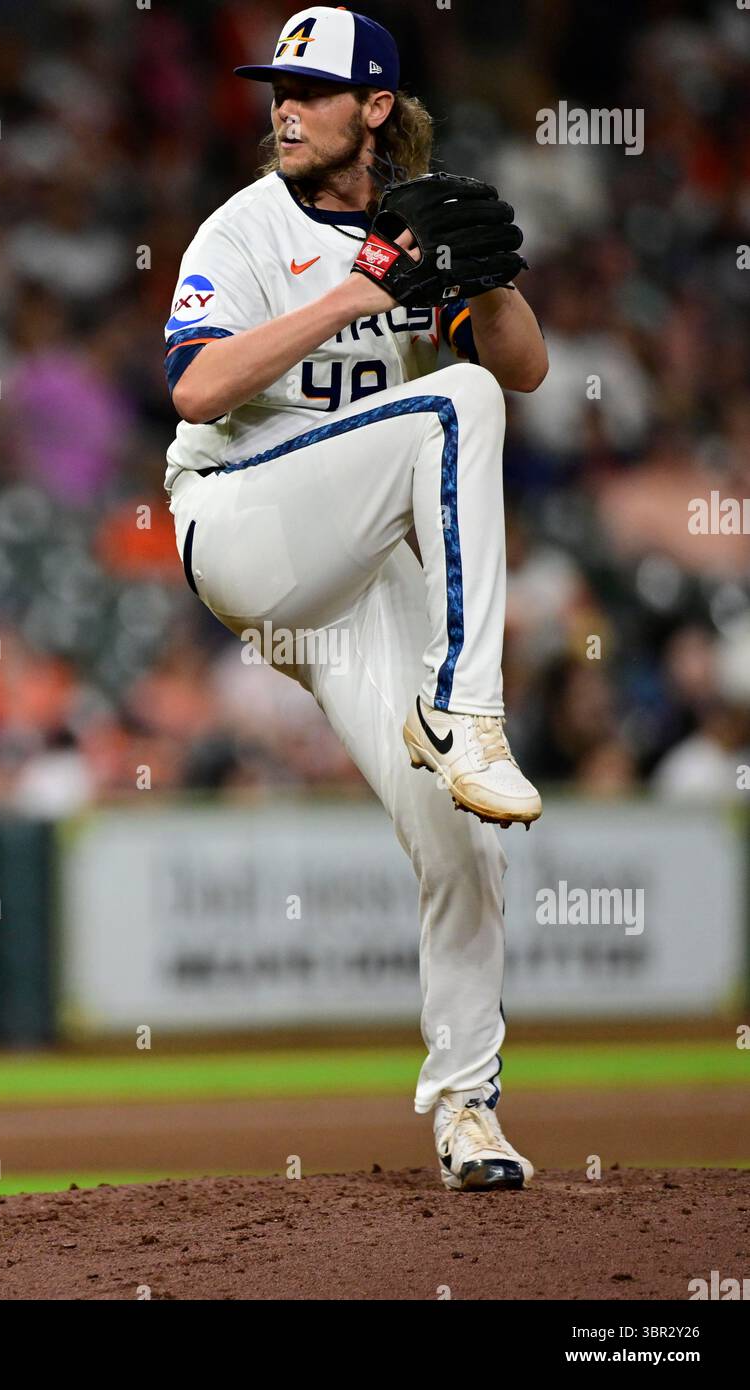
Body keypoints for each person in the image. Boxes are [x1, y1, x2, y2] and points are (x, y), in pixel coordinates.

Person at [163, 6, 548, 1192]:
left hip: (361, 567)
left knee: (461, 833)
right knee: (457, 406)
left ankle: (467, 1109)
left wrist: (486, 277)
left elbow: (524, 364)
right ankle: (465, 707)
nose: (283, 104)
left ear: (374, 108)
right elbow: (195, 386)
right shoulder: (242, 226)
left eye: (310, 87)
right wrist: (357, 290)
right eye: (276, 85)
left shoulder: (415, 218)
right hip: (243, 523)